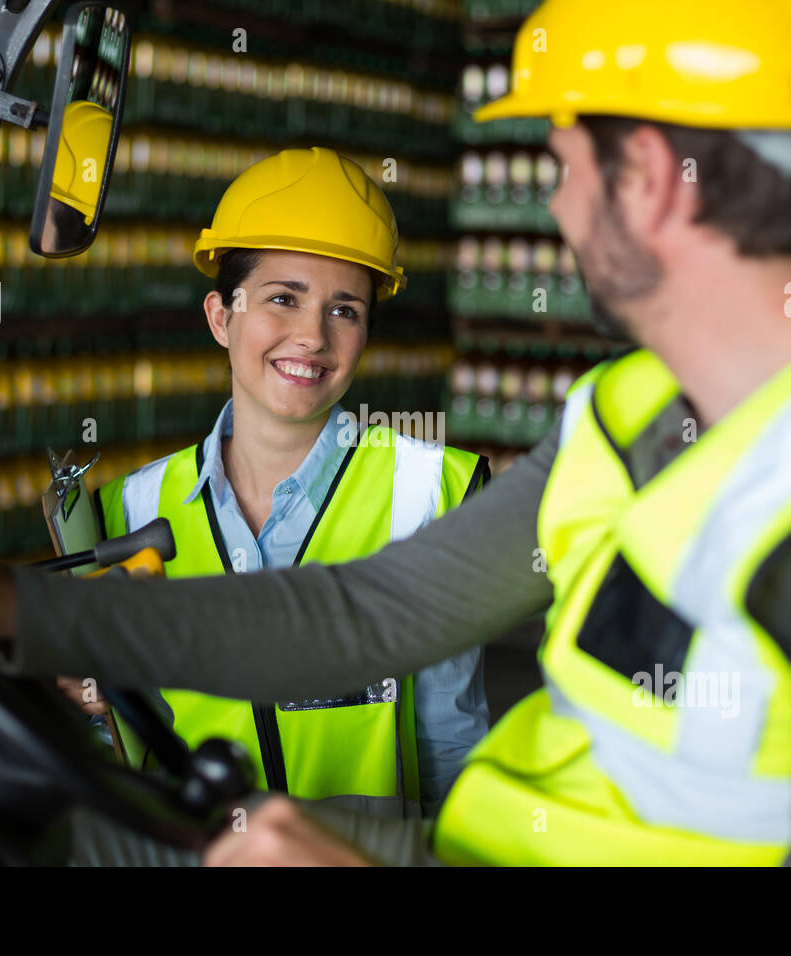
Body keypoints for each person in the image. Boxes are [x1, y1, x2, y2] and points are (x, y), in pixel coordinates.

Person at [0, 0, 791, 866]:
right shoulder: (631, 414)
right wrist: (10, 605)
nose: (556, 205)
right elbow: (366, 614)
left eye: (565, 162)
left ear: (655, 184)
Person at [77, 146, 490, 818]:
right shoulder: (133, 509)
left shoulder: (429, 494)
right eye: (282, 299)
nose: (311, 336)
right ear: (220, 317)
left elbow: (451, 740)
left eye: (345, 310)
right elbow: (125, 745)